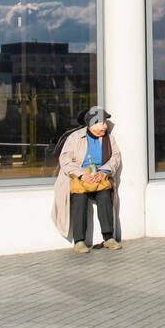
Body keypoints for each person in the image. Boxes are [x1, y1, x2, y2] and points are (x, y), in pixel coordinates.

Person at [51, 106, 123, 254]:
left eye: (105, 123)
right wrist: (81, 174)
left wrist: (104, 171)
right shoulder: (75, 137)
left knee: (104, 196)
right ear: (91, 124)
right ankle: (79, 241)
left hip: (99, 176)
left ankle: (108, 237)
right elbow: (65, 159)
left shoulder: (109, 138)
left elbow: (116, 157)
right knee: (79, 198)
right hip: (80, 177)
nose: (104, 126)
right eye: (101, 123)